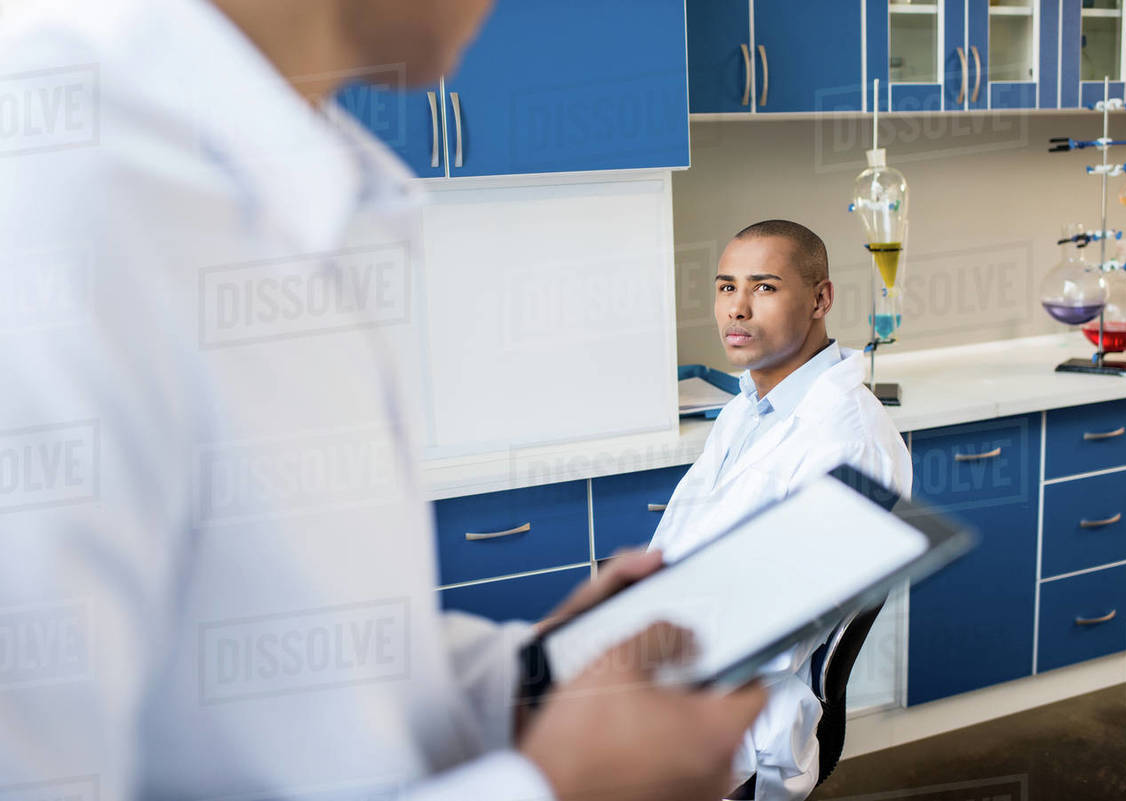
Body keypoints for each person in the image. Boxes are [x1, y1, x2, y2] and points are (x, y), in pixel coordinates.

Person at [0, 2, 766, 800]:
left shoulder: (303, 190)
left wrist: (533, 675)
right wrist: (557, 787)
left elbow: (299, 684)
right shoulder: (53, 177)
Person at [649, 219, 913, 800]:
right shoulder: (749, 404)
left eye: (763, 288)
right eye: (726, 287)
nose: (736, 310)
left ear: (821, 299)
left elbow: (770, 639)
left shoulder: (848, 442)